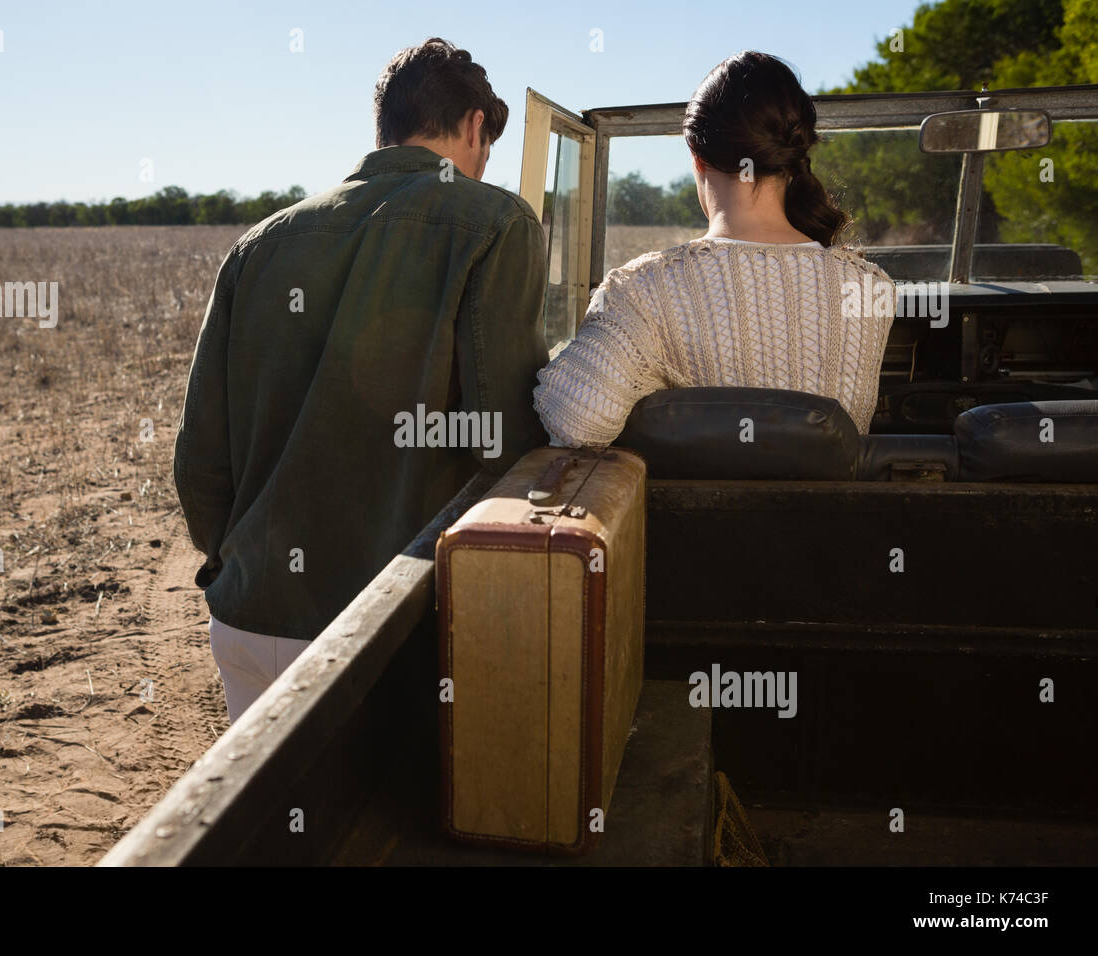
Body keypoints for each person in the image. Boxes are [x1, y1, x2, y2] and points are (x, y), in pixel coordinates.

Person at [174, 38, 549, 725]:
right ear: (473, 126)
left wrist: (238, 569)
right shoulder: (498, 223)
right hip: (393, 627)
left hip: (249, 618)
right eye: (485, 146)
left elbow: (200, 459)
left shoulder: (259, 243)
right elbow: (508, 445)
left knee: (264, 832)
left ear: (386, 126)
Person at [533, 51, 896, 447]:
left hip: (688, 511)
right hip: (838, 512)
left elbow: (576, 423)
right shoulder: (868, 289)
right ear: (793, 155)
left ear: (697, 157)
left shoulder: (643, 292)